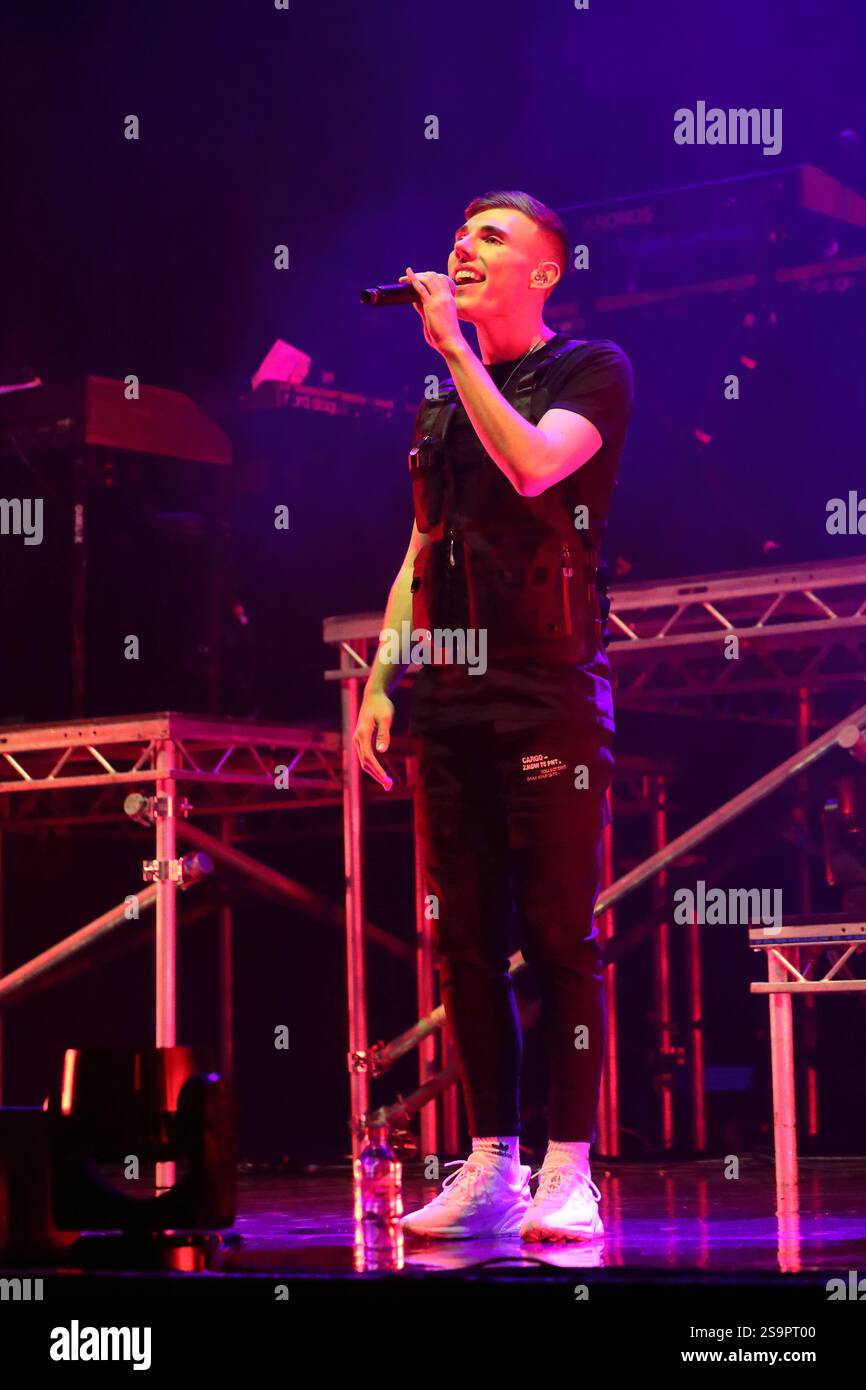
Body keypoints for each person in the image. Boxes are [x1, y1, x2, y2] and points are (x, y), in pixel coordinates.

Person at [353, 190, 633, 1241]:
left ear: (544, 272)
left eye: (490, 237)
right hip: (451, 696)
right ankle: (489, 1163)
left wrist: (452, 353)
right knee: (462, 940)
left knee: (558, 933)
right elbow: (420, 551)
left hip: (546, 688)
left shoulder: (589, 370)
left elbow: (531, 464)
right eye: (459, 234)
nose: (462, 249)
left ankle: (570, 1169)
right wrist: (382, 679)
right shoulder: (440, 407)